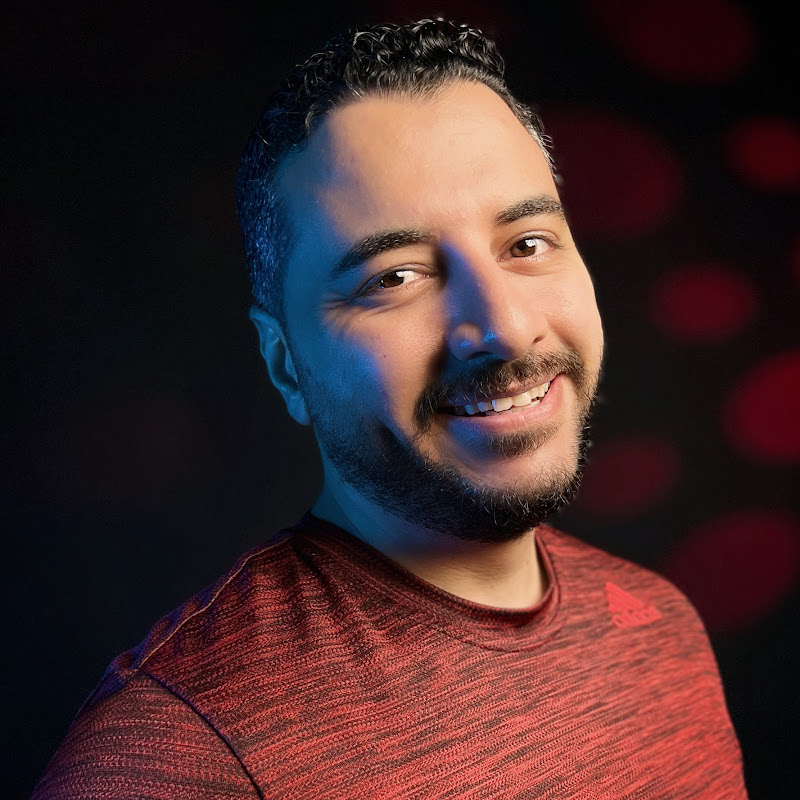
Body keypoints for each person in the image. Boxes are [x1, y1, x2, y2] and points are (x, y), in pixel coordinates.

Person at [31, 18, 748, 799]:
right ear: (286, 363)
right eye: (394, 278)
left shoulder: (662, 627)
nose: (505, 328)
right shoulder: (174, 754)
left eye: (526, 243)